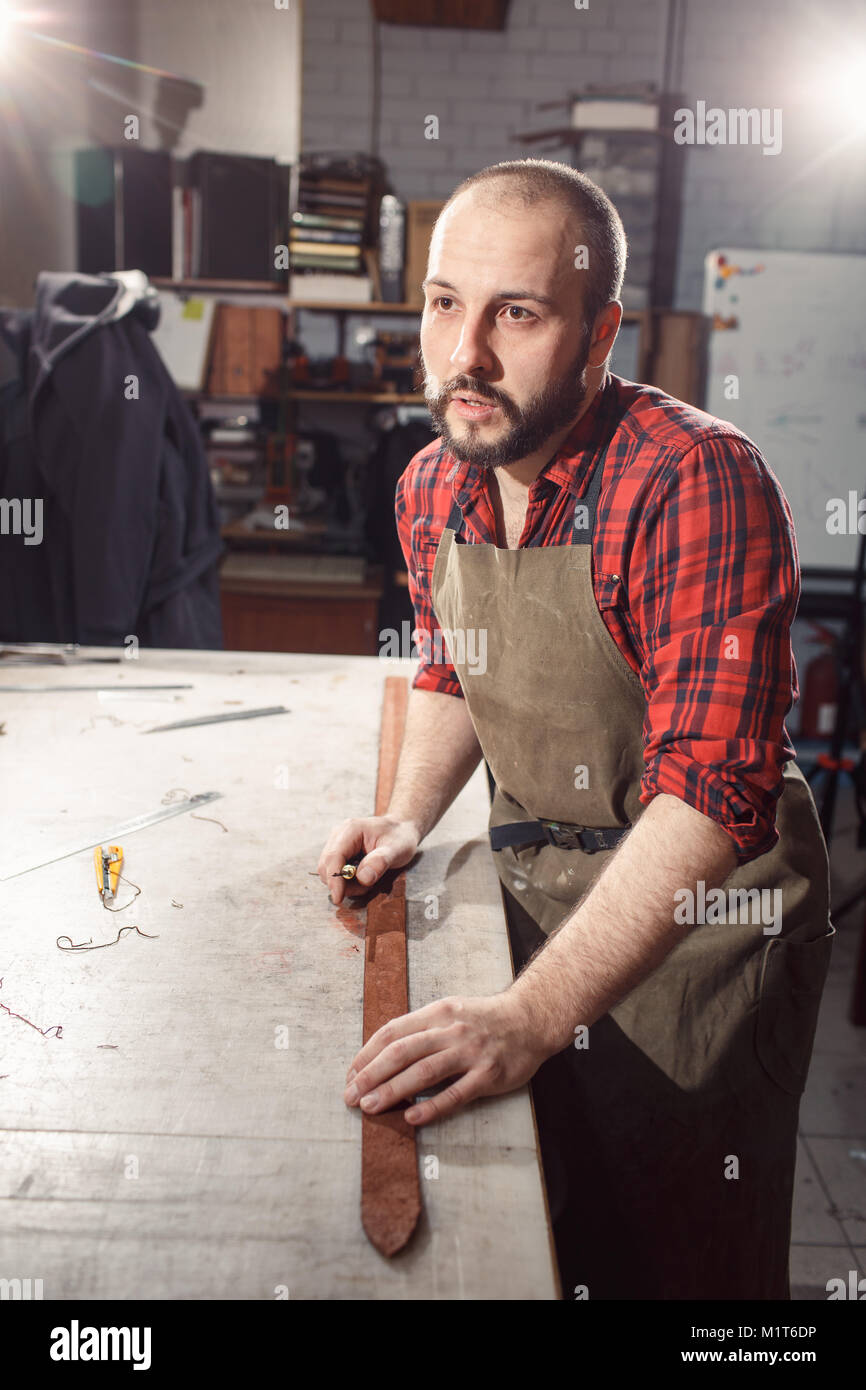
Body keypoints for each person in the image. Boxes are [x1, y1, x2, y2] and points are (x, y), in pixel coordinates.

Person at [316, 158, 834, 1299]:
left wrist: (527, 1017)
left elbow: (708, 798)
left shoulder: (694, 482)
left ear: (599, 332)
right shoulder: (432, 484)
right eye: (445, 303)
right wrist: (406, 815)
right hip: (533, 909)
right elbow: (457, 667)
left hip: (702, 938)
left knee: (678, 1259)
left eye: (517, 312)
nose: (467, 355)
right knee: (547, 1241)